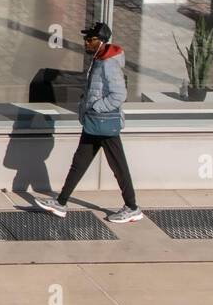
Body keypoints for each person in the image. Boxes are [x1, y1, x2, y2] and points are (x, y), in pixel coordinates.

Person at [36, 22, 143, 223]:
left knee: (118, 166)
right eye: (86, 39)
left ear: (100, 41)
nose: (86, 42)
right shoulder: (99, 59)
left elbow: (119, 94)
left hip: (104, 122)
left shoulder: (109, 63)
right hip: (95, 123)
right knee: (79, 162)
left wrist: (96, 107)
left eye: (90, 39)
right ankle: (61, 203)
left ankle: (132, 207)